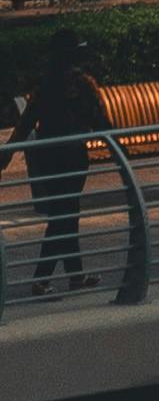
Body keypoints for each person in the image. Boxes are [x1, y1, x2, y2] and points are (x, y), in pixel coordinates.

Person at [14, 50, 112, 301]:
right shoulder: (80, 84)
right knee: (64, 216)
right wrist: (118, 147)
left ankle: (75, 276)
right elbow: (98, 119)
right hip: (72, 157)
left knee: (65, 213)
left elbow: (27, 121)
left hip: (47, 158)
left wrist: (7, 152)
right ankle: (41, 278)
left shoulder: (45, 85)